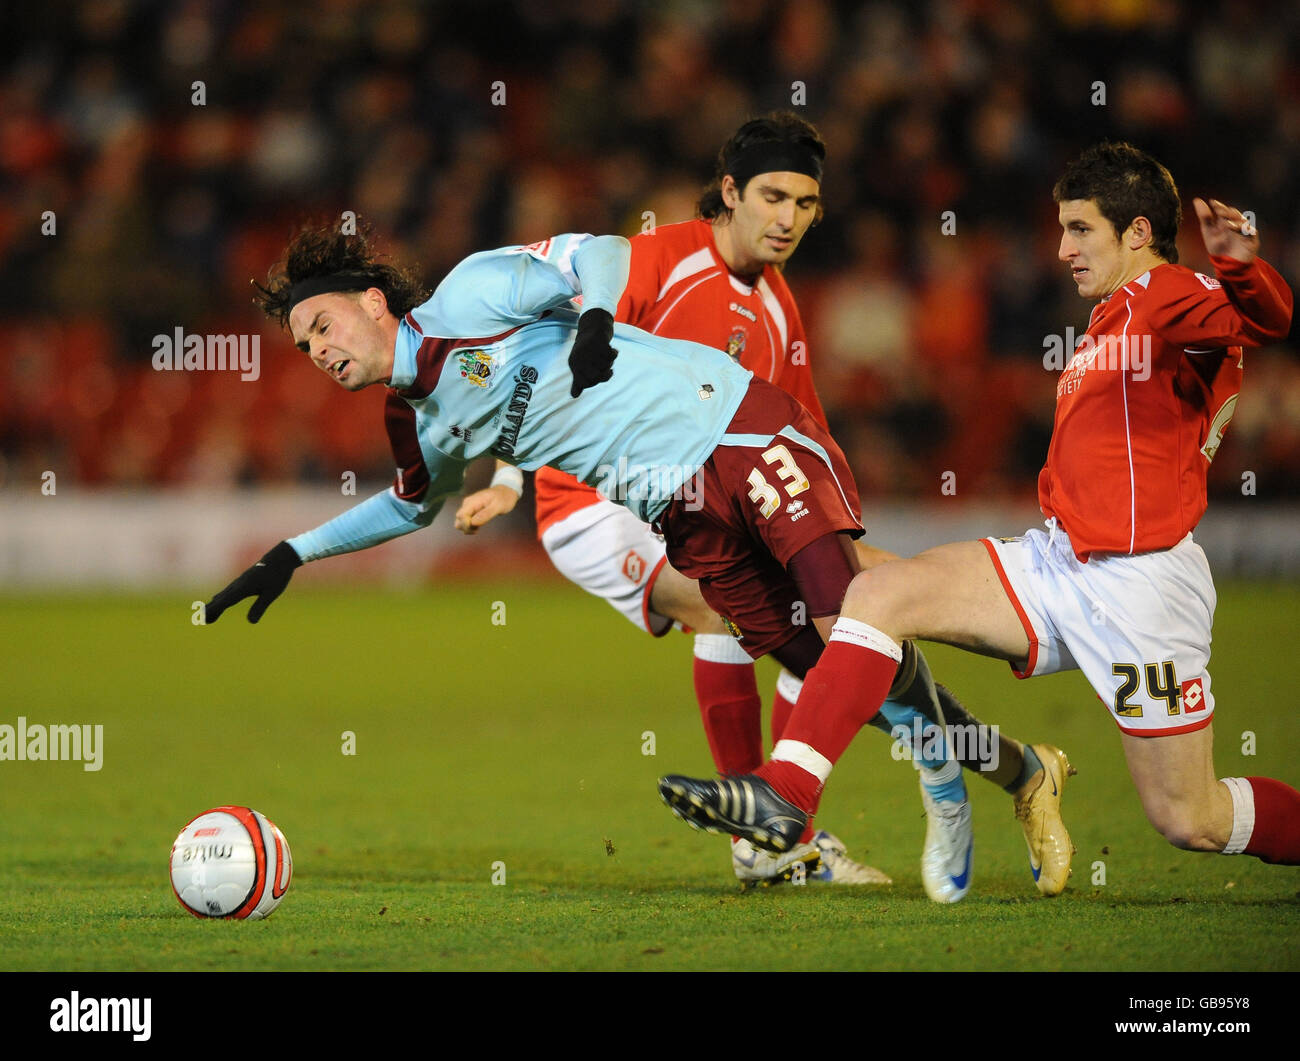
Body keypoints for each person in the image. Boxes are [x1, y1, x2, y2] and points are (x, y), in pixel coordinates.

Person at [203, 213, 1051, 903]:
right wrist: (291, 552)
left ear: (372, 299)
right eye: (303, 347)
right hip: (680, 512)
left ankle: (900, 780)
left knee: (849, 616)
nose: (317, 351)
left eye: (321, 325)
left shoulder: (471, 291)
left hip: (731, 426)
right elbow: (410, 505)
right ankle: (1009, 763)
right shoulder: (417, 421)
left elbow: (598, 253)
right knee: (836, 664)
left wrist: (600, 317)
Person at [455, 114, 1071, 897]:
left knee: (856, 610)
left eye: (806, 203)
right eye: (772, 196)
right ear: (729, 193)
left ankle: (1017, 765)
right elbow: (550, 359)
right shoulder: (657, 260)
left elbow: (800, 441)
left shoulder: (780, 309)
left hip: (703, 501)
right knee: (732, 611)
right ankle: (773, 840)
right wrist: (508, 479)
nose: (788, 218)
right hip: (593, 505)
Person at [658, 141, 1300, 875]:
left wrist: (1242, 266)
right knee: (876, 593)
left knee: (1193, 818)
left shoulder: (1166, 294)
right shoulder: (1117, 312)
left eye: (1080, 229)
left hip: (1142, 589)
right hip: (1061, 562)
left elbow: (1266, 320)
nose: (1062, 249)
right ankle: (788, 791)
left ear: (1138, 234)